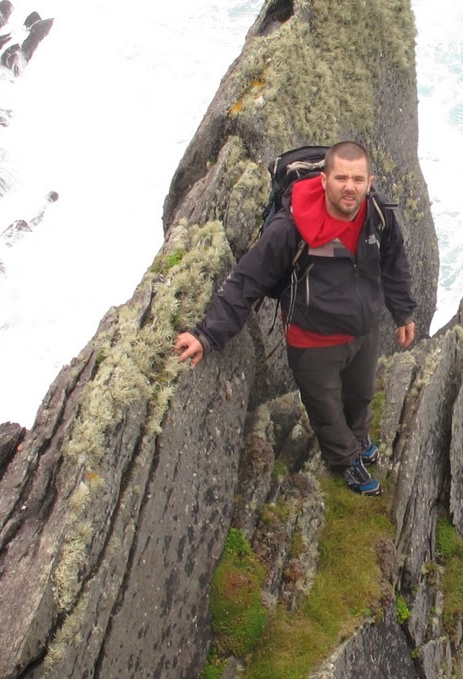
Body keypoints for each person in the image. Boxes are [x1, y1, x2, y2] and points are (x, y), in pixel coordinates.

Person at [172, 140, 416, 495]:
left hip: (363, 332)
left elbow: (395, 260)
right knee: (327, 411)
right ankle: (345, 460)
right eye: (341, 178)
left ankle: (359, 437)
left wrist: (403, 311)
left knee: (361, 395)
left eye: (358, 179)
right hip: (312, 341)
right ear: (324, 180)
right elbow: (247, 280)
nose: (350, 187)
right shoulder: (291, 227)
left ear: (370, 181)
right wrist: (206, 335)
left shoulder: (378, 213)